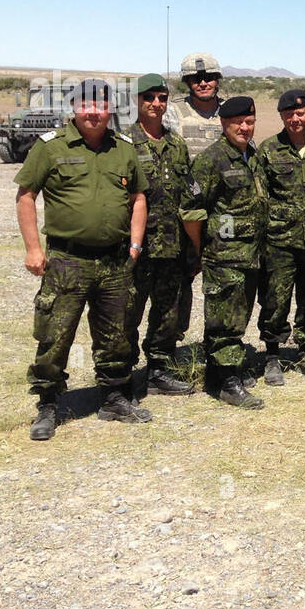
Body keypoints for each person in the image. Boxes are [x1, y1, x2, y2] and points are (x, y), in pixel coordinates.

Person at [15, 78, 151, 439]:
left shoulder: (122, 148)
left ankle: (114, 397)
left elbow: (138, 197)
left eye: (100, 104)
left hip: (115, 262)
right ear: (74, 108)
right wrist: (33, 248)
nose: (93, 111)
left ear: (110, 109)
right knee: (55, 335)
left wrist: (135, 245)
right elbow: (26, 195)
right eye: (86, 104)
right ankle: (47, 404)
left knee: (117, 333)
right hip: (67, 262)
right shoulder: (50, 147)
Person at [183, 95, 268, 408]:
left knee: (238, 316)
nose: (244, 128)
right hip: (224, 256)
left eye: (249, 122)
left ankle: (222, 373)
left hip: (250, 255)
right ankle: (226, 382)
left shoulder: (253, 156)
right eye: (238, 123)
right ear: (223, 123)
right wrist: (201, 247)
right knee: (224, 321)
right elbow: (191, 210)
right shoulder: (212, 159)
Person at [124, 73, 199, 397]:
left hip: (172, 247)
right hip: (135, 249)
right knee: (127, 313)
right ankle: (120, 376)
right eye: (149, 98)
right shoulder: (123, 144)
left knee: (167, 313)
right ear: (137, 101)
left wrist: (194, 247)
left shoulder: (177, 145)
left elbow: (187, 197)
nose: (156, 104)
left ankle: (158, 371)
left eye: (162, 98)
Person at [255, 89, 305, 385]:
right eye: (289, 115)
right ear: (281, 116)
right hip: (279, 240)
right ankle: (272, 355)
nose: (295, 119)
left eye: (300, 113)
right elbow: (260, 197)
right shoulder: (269, 150)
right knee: (275, 299)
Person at [165, 52, 225, 345]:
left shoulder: (230, 110)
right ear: (187, 82)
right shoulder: (173, 113)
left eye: (208, 77)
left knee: (223, 278)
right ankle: (172, 342)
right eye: (195, 79)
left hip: (222, 211)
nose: (203, 83)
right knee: (179, 280)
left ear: (217, 80)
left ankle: (220, 344)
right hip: (184, 210)